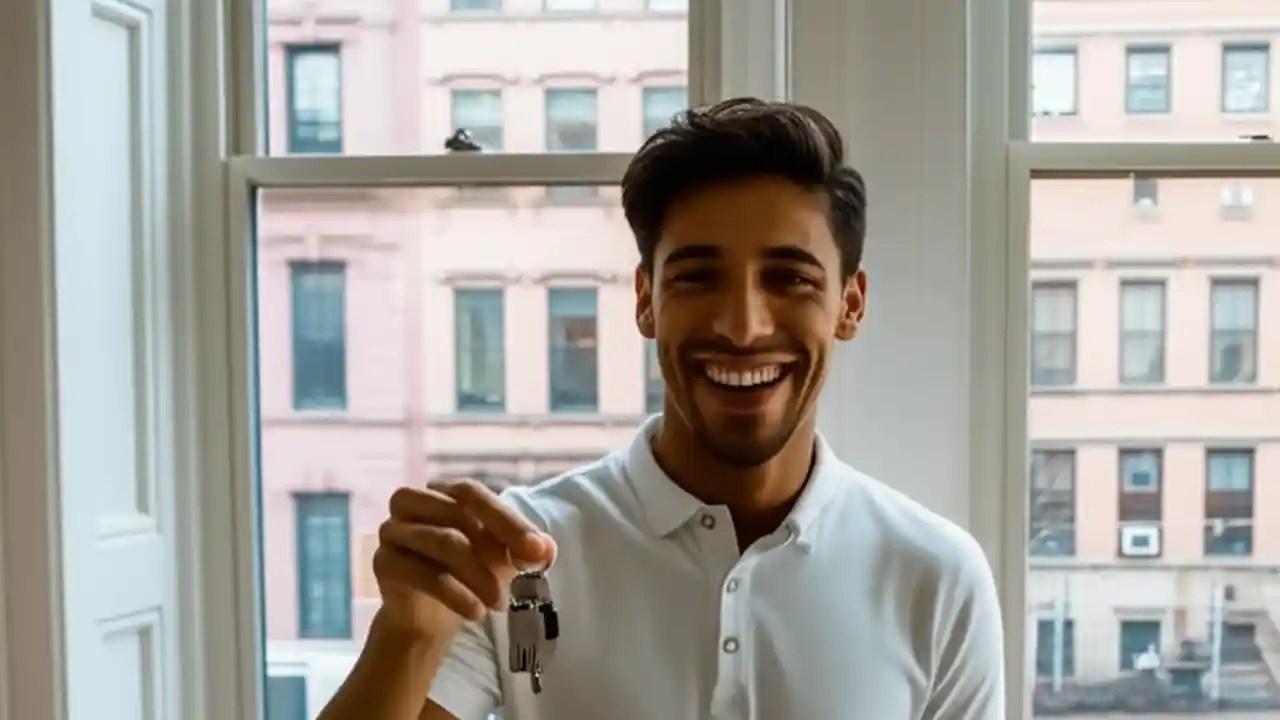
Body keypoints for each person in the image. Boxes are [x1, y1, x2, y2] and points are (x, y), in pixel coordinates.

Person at [317, 98, 1005, 720]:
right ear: (646, 300)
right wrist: (406, 636)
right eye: (698, 277)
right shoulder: (510, 558)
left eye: (789, 278)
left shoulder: (936, 576)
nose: (743, 327)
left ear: (849, 304)